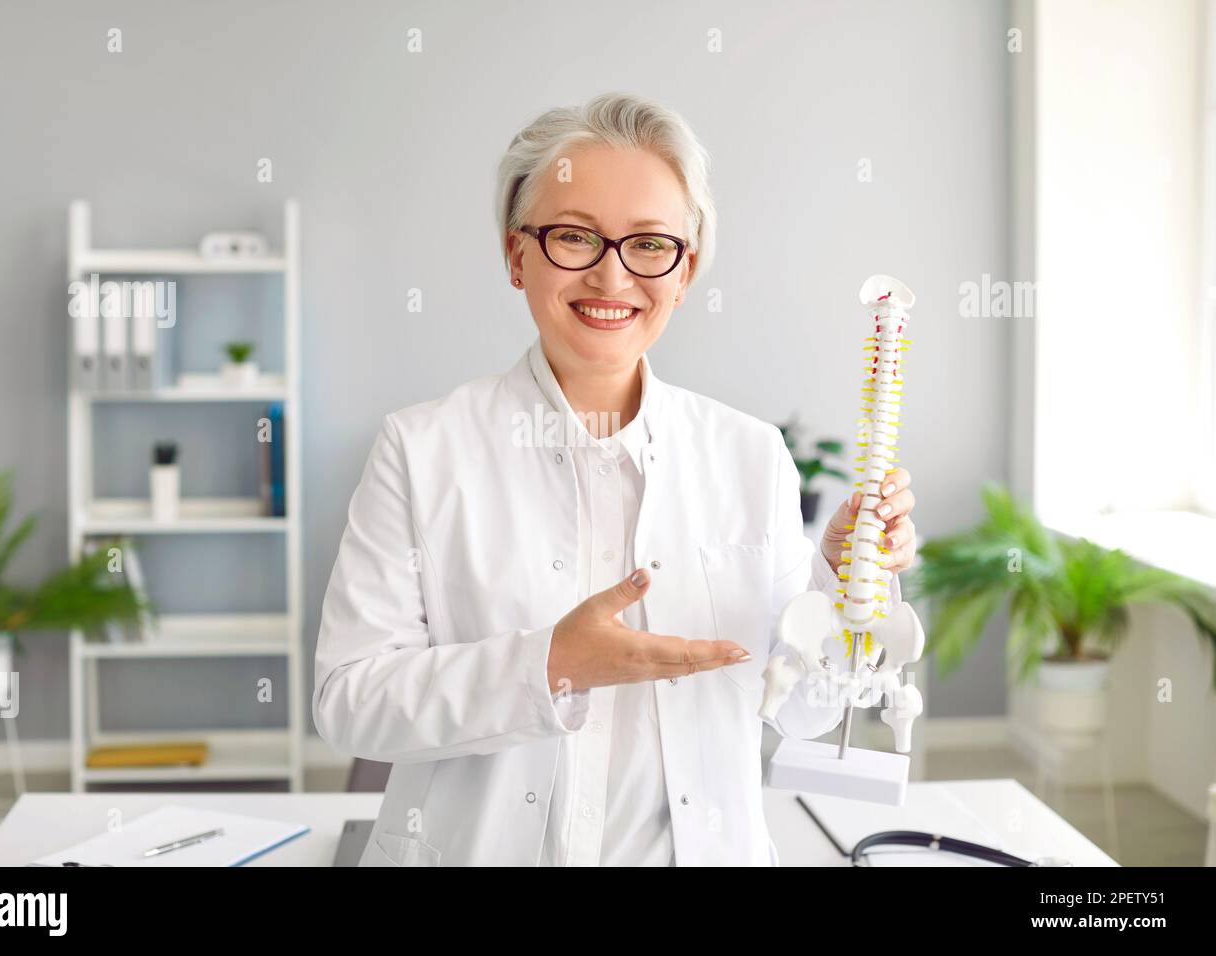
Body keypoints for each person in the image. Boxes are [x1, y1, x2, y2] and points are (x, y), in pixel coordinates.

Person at [313, 92, 918, 866]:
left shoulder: (750, 455)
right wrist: (550, 665)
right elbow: (349, 703)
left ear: (686, 268)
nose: (611, 275)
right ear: (516, 254)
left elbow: (800, 709)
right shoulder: (421, 450)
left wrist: (841, 580)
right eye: (574, 236)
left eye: (649, 245)